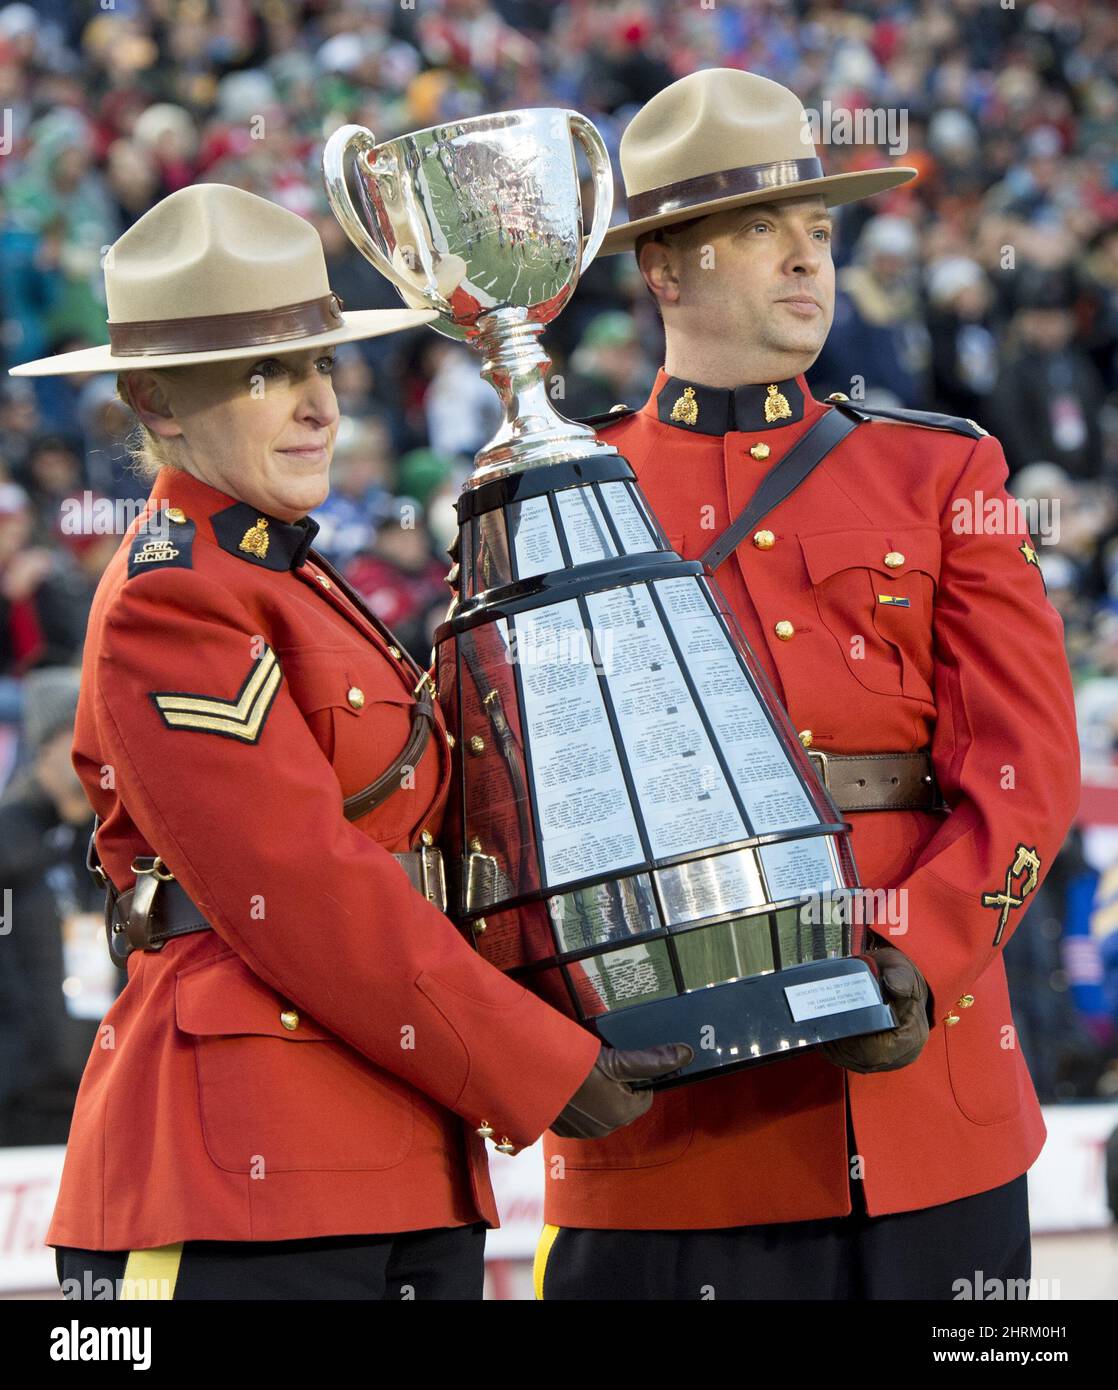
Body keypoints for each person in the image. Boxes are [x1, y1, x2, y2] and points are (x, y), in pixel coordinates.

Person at [9, 182, 690, 1301]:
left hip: (403, 1140)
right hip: (242, 1170)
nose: (318, 403)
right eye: (264, 373)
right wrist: (539, 1059)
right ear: (155, 403)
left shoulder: (291, 573)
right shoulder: (170, 600)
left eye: (322, 366)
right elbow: (303, 884)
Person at [530, 68, 1081, 1301]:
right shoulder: (565, 492)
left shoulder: (939, 470)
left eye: (818, 232)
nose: (804, 262)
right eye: (759, 232)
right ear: (665, 268)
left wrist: (920, 951)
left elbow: (1023, 764)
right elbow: (527, 805)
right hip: (676, 1124)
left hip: (926, 1106)